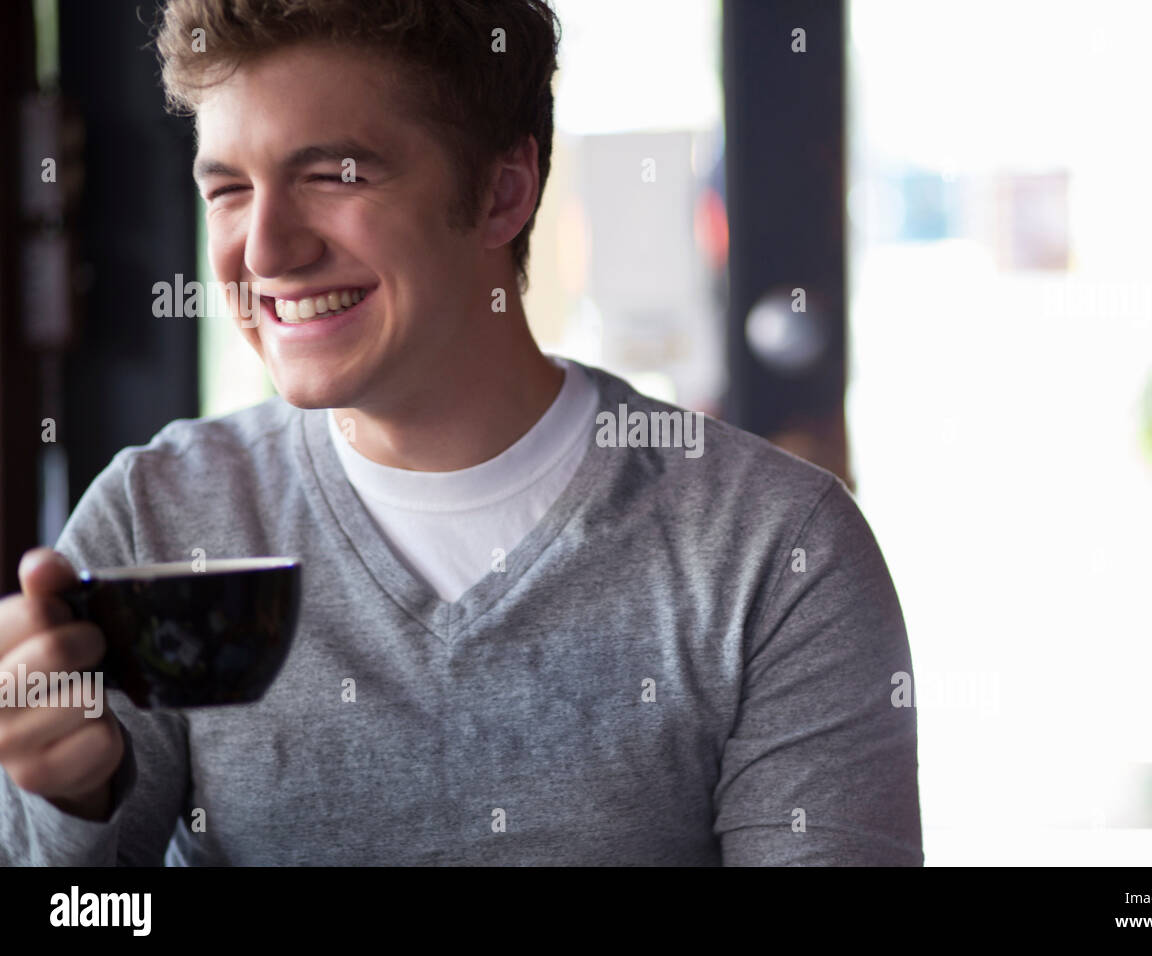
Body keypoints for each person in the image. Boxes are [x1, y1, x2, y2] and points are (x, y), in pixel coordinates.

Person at [0, 0, 922, 865]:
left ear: (503, 193)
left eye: (333, 175)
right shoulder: (157, 517)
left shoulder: (777, 553)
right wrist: (73, 803)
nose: (266, 251)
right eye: (230, 188)